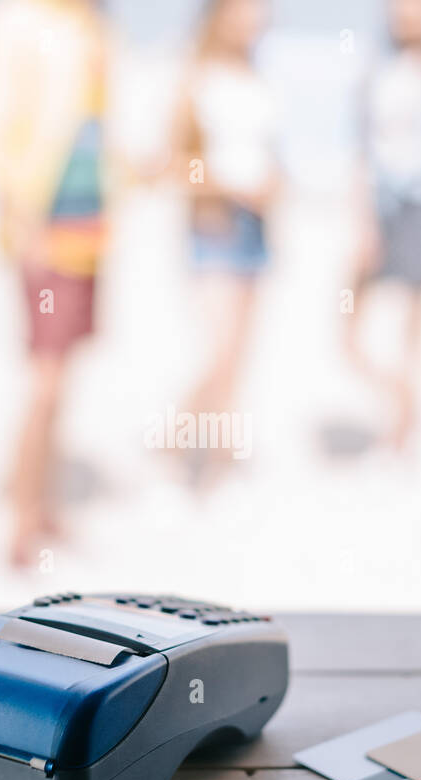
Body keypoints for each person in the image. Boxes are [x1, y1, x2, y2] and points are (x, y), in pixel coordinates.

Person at [0, 0, 110, 567]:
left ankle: (45, 503)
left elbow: (98, 128)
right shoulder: (19, 21)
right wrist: (18, 214)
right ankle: (21, 517)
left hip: (89, 222)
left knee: (65, 376)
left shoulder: (95, 25)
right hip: (45, 220)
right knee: (46, 378)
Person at [169, 0, 276, 483]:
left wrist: (274, 185)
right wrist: (228, 185)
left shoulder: (259, 79)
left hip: (258, 225)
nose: (254, 17)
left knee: (241, 353)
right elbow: (178, 165)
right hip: (214, 225)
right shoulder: (196, 79)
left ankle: (216, 460)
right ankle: (177, 439)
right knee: (219, 351)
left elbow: (269, 155)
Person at [346, 0, 421, 451]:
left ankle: (401, 430)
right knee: (348, 331)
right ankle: (406, 402)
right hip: (384, 205)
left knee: (415, 330)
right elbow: (362, 155)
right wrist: (364, 221)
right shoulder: (378, 75)